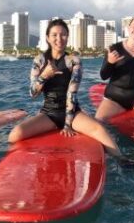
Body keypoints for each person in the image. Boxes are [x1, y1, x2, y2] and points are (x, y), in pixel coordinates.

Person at [8, 18, 122, 156]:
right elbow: (33, 94)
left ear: (67, 37)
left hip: (73, 113)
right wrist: (44, 76)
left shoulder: (74, 61)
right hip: (49, 113)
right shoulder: (39, 61)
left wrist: (67, 124)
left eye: (63, 34)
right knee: (15, 134)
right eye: (54, 35)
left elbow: (71, 93)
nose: (59, 38)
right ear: (47, 38)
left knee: (100, 131)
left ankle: (124, 161)